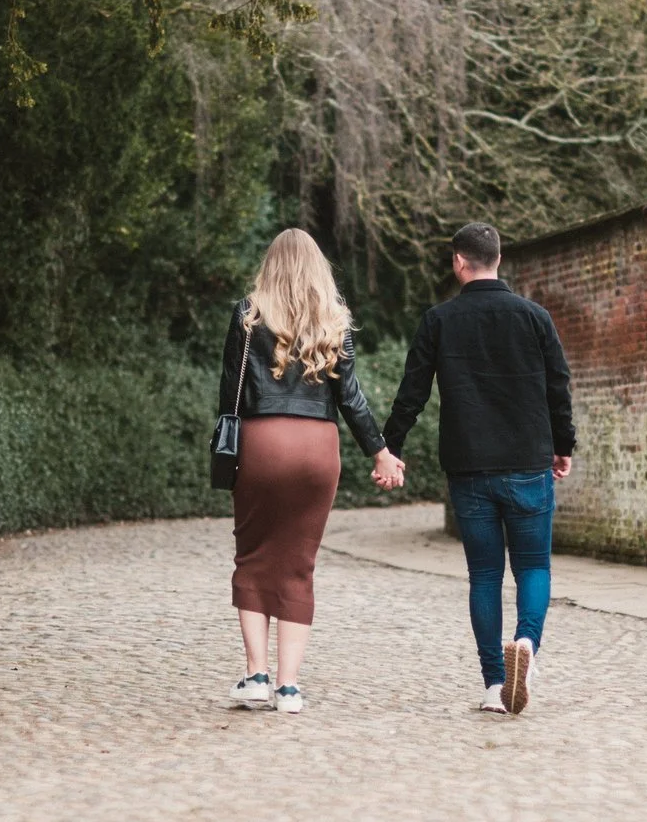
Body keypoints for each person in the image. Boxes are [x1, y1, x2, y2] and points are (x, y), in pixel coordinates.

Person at [380, 222, 574, 714]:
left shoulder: (440, 320)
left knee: (484, 575)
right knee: (532, 565)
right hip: (529, 461)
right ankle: (526, 644)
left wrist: (389, 446)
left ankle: (493, 685)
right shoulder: (535, 318)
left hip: (469, 468)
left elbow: (413, 391)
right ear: (498, 259)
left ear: (458, 262)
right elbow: (558, 386)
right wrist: (563, 444)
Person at [219, 229, 406, 712]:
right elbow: (351, 398)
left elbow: (229, 393)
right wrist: (379, 451)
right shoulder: (333, 320)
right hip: (317, 446)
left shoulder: (248, 313)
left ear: (271, 265)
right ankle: (289, 688)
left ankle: (256, 675)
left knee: (253, 555)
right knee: (299, 564)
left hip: (262, 442)